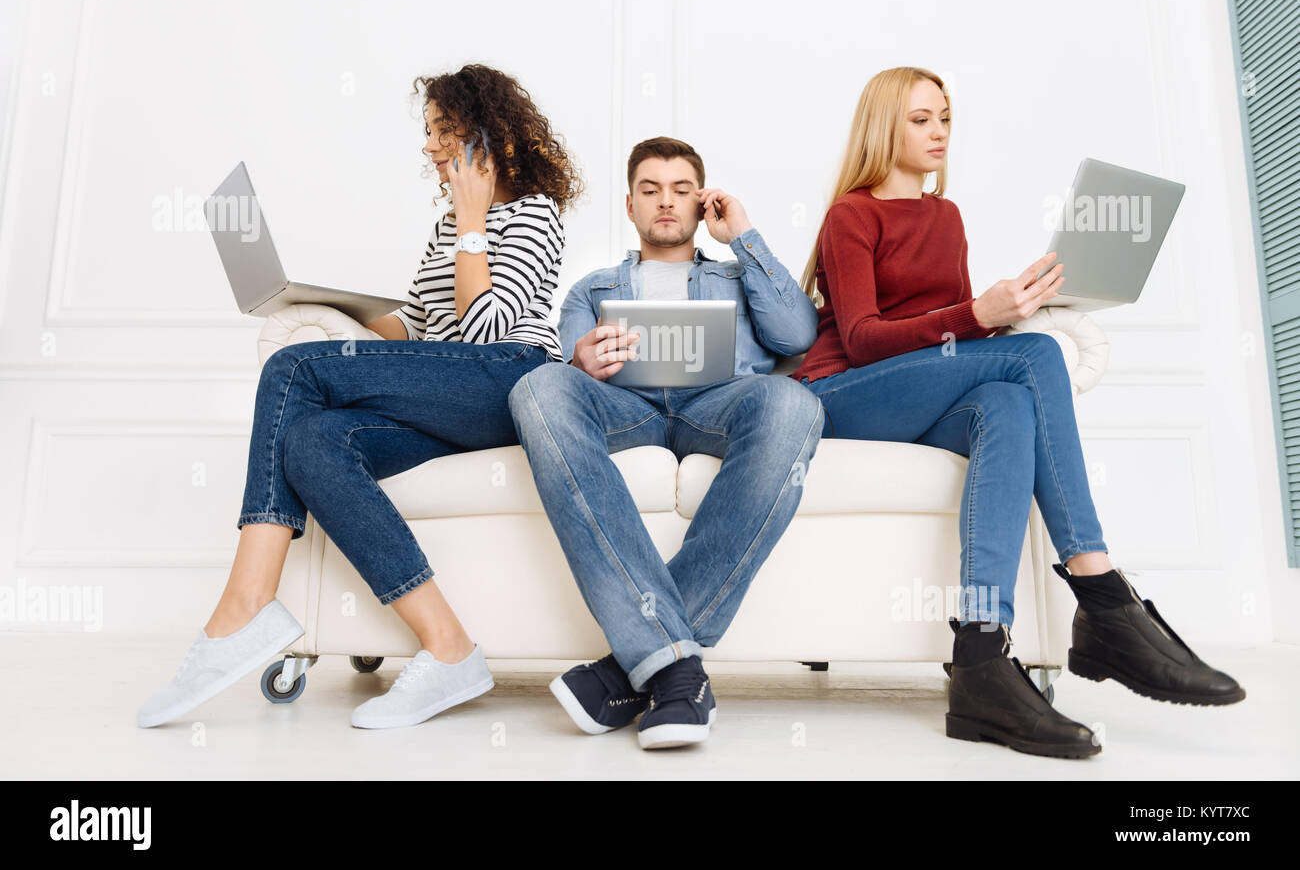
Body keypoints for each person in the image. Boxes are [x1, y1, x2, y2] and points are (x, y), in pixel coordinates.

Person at [791, 66, 1244, 758]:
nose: (940, 129)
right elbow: (861, 338)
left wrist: (1005, 312)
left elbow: (948, 333)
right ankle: (1102, 596)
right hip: (842, 394)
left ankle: (979, 655)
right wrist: (981, 314)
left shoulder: (947, 217)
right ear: (885, 126)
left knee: (1007, 398)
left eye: (945, 115)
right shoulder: (852, 214)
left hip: (919, 389)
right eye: (921, 118)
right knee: (1034, 356)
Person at [137, 64, 583, 730]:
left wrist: (471, 219)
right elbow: (417, 327)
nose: (430, 146)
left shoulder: (533, 214)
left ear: (490, 135)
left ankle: (247, 603)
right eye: (428, 132)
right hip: (447, 390)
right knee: (312, 441)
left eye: (444, 130)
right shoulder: (445, 230)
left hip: (508, 380)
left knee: (292, 371)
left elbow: (482, 333)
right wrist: (325, 311)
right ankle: (449, 646)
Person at [509, 137, 824, 749]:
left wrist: (745, 239)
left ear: (702, 202)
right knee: (538, 386)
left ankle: (641, 661)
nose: (665, 202)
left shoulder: (736, 274)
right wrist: (580, 357)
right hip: (629, 408)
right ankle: (675, 666)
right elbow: (572, 371)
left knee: (793, 402)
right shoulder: (592, 288)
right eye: (650, 190)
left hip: (716, 404)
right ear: (630, 205)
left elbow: (796, 334)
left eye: (681, 190)